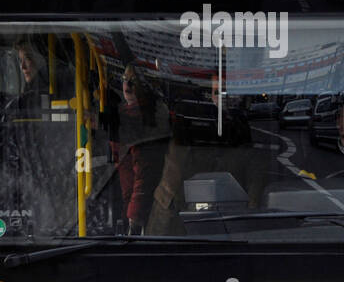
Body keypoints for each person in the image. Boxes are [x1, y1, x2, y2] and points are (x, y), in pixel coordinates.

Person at [146, 73, 266, 235]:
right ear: (210, 96)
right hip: (175, 208)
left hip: (221, 212)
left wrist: (250, 212)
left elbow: (254, 172)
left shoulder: (240, 126)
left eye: (227, 92)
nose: (223, 97)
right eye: (218, 92)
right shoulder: (188, 117)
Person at [110, 63, 167, 234]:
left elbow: (145, 172)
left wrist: (134, 219)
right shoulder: (126, 113)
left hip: (145, 215)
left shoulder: (147, 119)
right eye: (125, 79)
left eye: (134, 82)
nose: (127, 85)